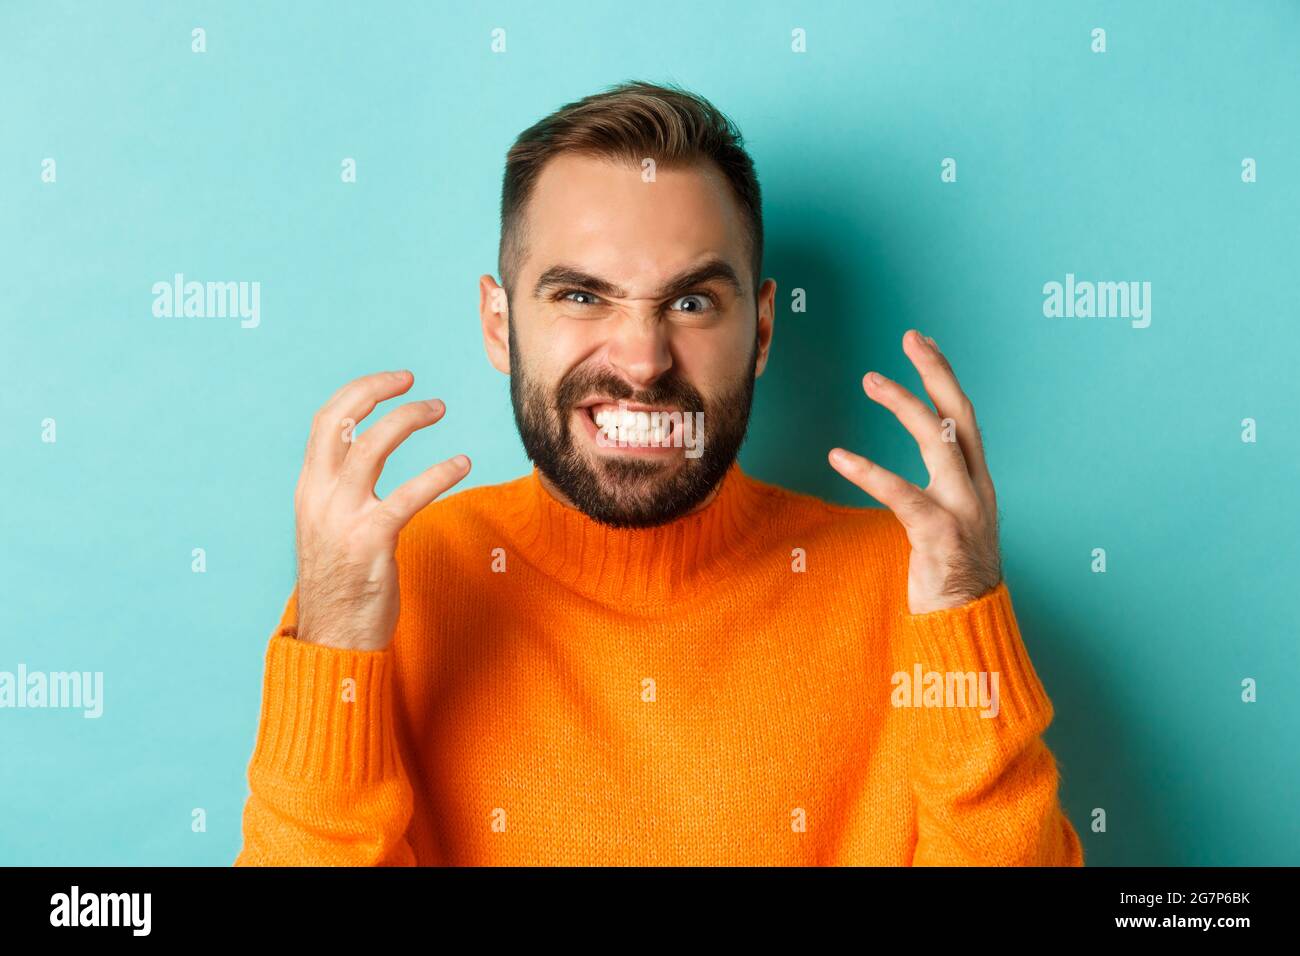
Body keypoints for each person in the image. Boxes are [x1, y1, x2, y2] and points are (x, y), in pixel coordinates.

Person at [234, 80, 1084, 866]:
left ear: (758, 333)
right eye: (580, 296)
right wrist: (336, 641)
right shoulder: (396, 584)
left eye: (689, 302)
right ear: (499, 326)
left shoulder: (912, 592)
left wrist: (967, 620)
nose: (642, 360)